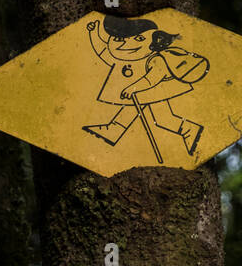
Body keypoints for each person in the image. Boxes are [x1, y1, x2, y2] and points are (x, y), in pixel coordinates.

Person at [84, 17, 207, 159]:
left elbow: (151, 80)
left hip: (156, 91)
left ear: (155, 41)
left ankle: (189, 129)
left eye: (139, 38)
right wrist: (93, 33)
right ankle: (112, 130)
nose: (126, 44)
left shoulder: (156, 59)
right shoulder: (122, 60)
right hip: (139, 92)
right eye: (118, 39)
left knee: (163, 119)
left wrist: (134, 88)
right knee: (135, 110)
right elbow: (103, 51)